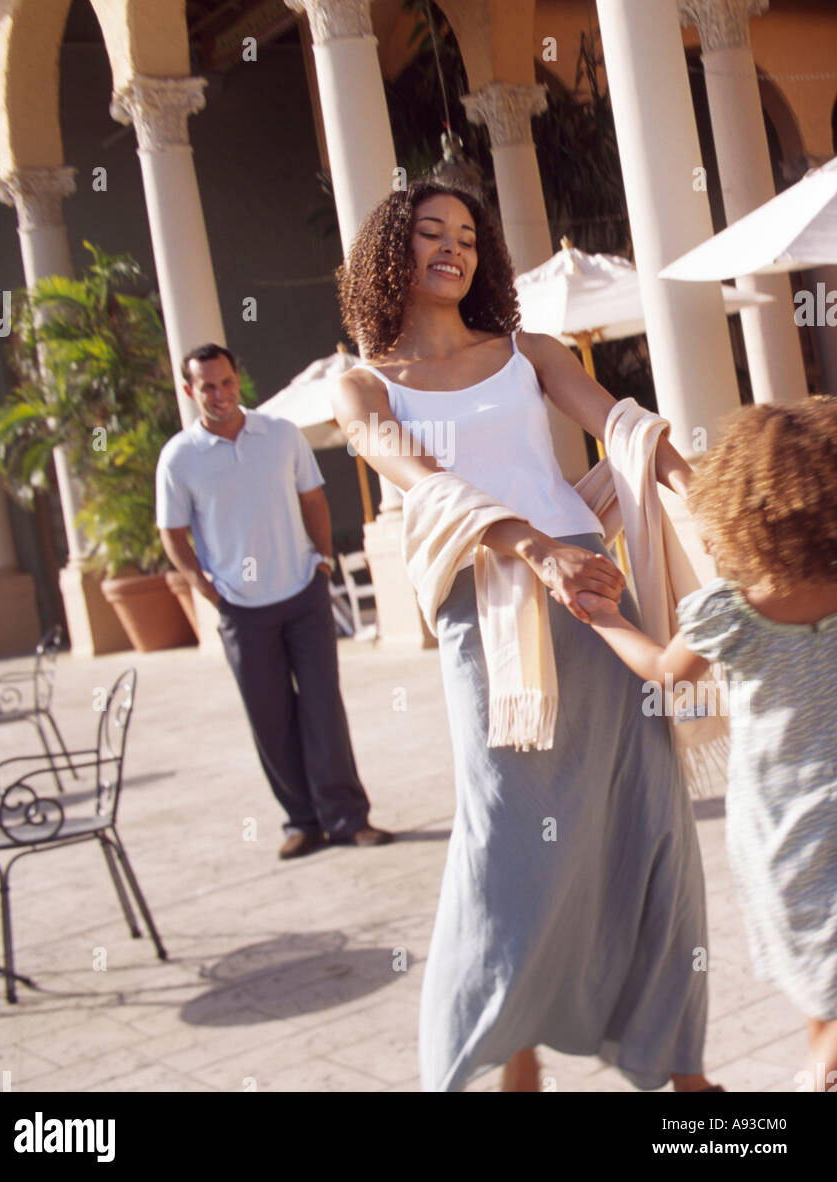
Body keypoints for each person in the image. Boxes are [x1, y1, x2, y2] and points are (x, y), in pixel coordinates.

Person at [331, 181, 721, 1093]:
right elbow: (416, 476)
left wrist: (706, 494)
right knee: (509, 840)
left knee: (645, 816)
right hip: (495, 606)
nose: (452, 248)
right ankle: (510, 1058)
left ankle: (678, 1070)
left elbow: (619, 426)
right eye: (430, 232)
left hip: (592, 595)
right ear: (391, 252)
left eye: (467, 235)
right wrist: (528, 545)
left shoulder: (527, 352)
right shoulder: (364, 382)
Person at [577, 398, 837, 1092]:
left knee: (822, 990)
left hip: (782, 827)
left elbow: (664, 673)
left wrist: (602, 618)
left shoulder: (734, 613)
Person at [156, 342, 392, 859]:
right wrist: (209, 590)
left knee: (323, 710)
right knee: (270, 718)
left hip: (303, 594)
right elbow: (172, 534)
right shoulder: (179, 458)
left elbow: (313, 499)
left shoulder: (281, 435)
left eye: (226, 382)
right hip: (240, 609)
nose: (220, 394)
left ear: (237, 378)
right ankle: (302, 822)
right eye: (207, 387)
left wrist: (322, 563)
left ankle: (349, 818)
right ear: (189, 390)